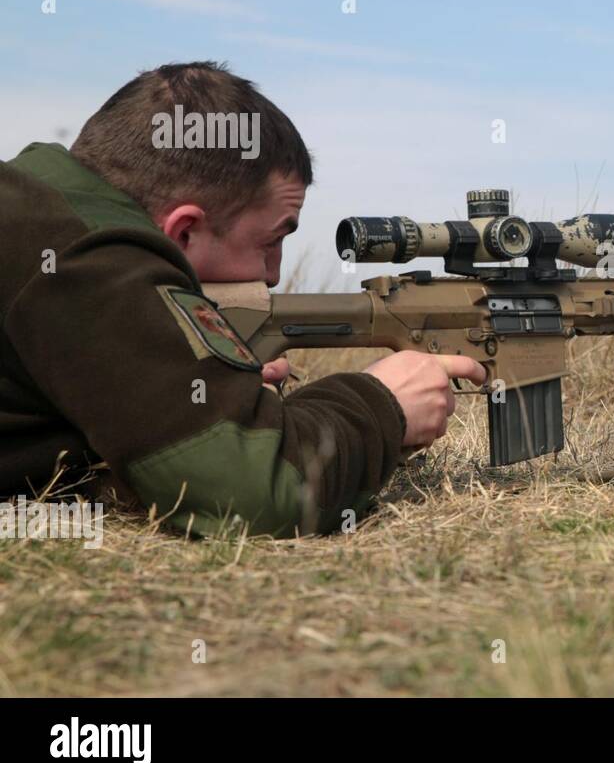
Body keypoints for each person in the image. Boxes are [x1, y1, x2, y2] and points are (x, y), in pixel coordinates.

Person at [0, 61, 485, 536]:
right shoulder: (94, 258)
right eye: (271, 240)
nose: (273, 274)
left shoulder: (44, 211)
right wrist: (382, 407)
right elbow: (249, 496)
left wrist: (199, 386)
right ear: (184, 231)